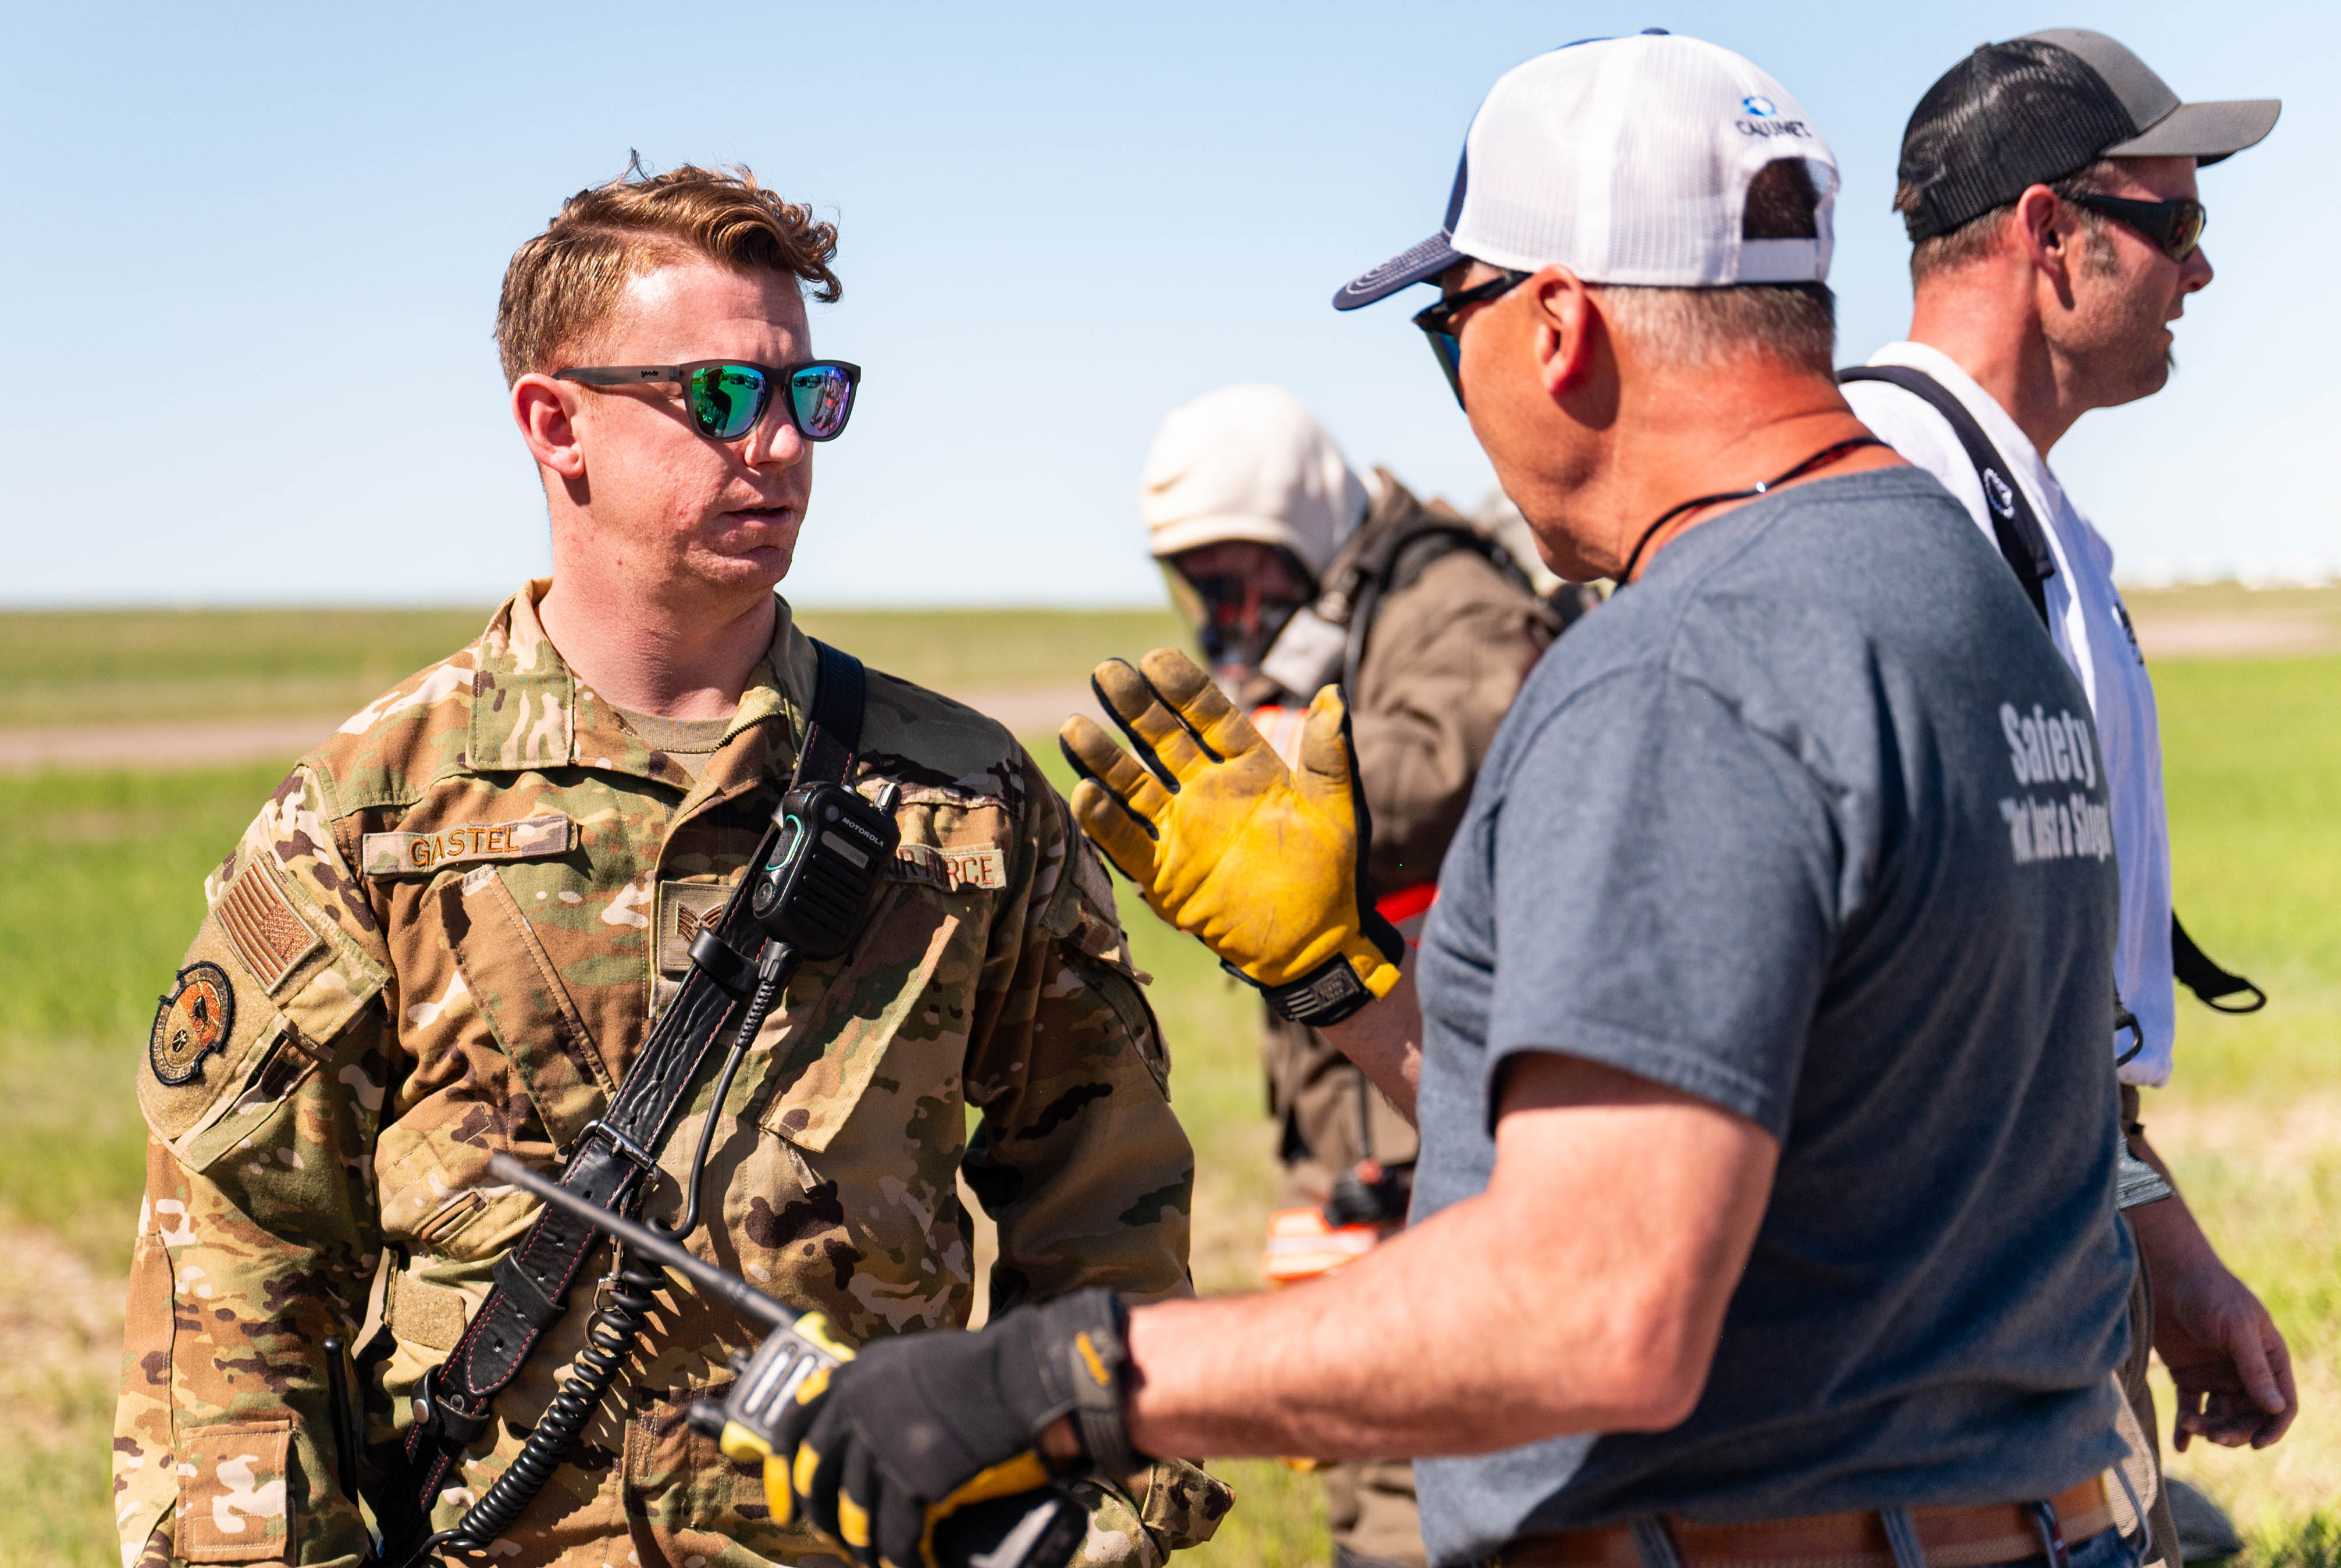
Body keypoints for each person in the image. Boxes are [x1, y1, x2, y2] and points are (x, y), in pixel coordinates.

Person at [746, 35, 2154, 1568]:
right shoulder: (1945, 585)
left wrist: (1062, 1377)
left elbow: (1592, 1308)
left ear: (1556, 325)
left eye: (1447, 326)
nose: (1455, 385)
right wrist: (1346, 984)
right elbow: (1779, 1153)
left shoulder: (1685, 672)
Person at [111, 163, 1229, 1568]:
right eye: (717, 397)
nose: (775, 445)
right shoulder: (372, 813)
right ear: (552, 421)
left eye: (804, 398)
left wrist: (1099, 1513)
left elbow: (1102, 1196)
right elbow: (237, 1275)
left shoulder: (963, 797)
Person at [1839, 32, 2294, 1563]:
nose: (2201, 274)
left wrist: (2158, 1249)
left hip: (2051, 1242)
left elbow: (2057, 1011)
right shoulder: (1891, 510)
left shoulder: (2030, 511)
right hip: (1951, 1316)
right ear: (2051, 235)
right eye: (2177, 226)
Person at [1140, 384, 1557, 1567]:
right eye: (1202, 581)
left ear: (1307, 529)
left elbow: (1437, 764)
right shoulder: (1330, 625)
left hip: (1456, 1113)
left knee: (1426, 1471)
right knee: (1378, 1441)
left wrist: (1269, 778)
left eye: (1245, 574)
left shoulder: (1451, 602)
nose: (1231, 608)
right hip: (1377, 1106)